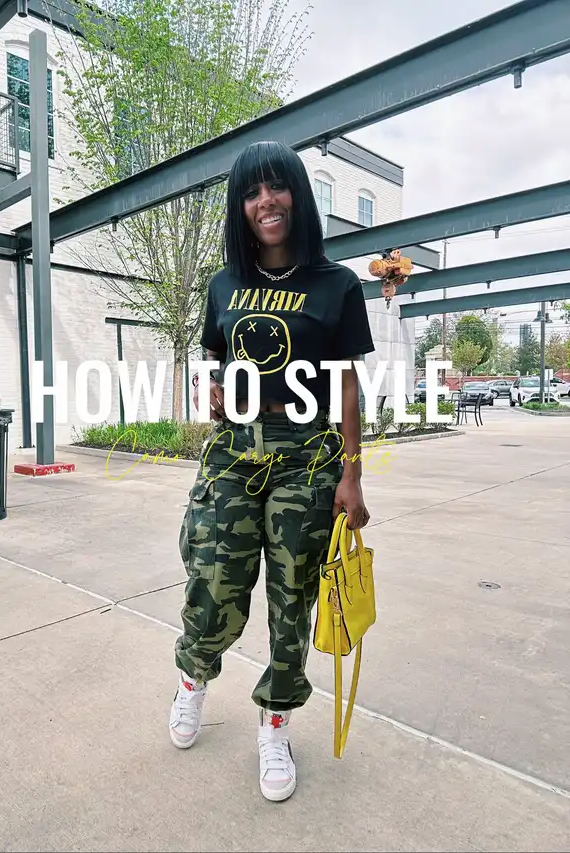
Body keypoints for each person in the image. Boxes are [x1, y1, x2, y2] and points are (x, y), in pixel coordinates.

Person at [168, 139, 375, 802]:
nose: (266, 202)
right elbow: (211, 357)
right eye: (252, 192)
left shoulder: (337, 284)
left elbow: (347, 385)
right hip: (234, 449)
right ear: (241, 206)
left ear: (297, 195)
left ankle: (276, 724)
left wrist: (351, 474)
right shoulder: (223, 284)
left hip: (306, 453)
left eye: (277, 187)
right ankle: (193, 679)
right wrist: (208, 387)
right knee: (213, 580)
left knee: (294, 599)